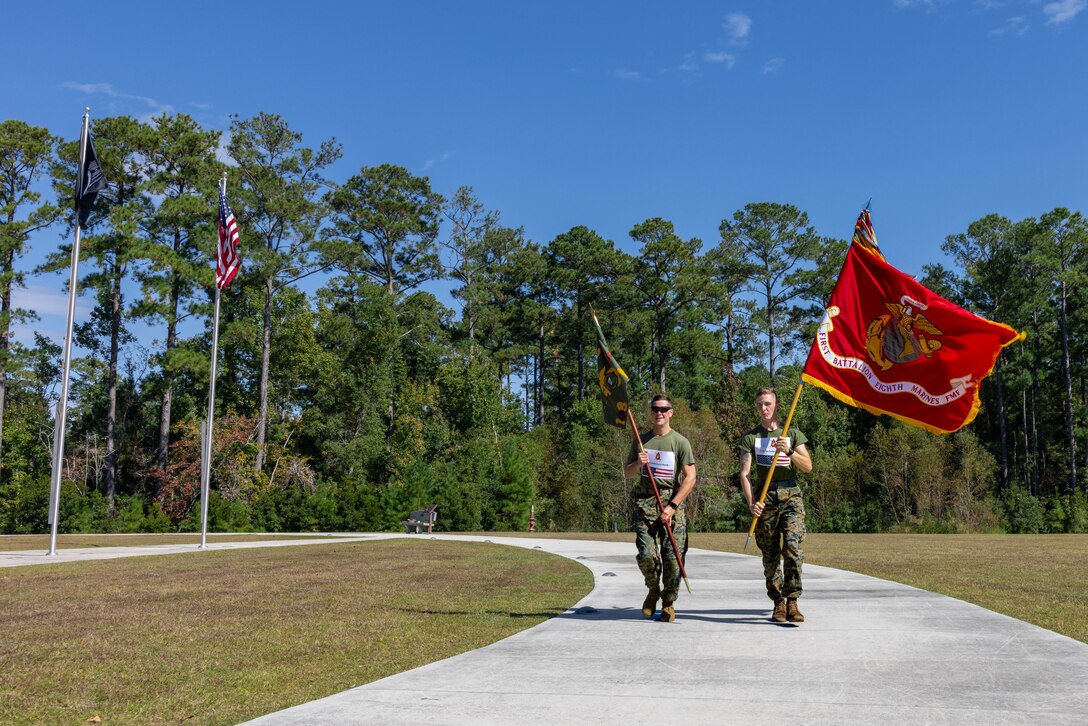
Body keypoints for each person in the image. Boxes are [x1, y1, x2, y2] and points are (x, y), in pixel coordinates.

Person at [738, 387, 813, 623]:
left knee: (792, 546)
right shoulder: (751, 438)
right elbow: (744, 474)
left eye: (768, 404)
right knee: (770, 553)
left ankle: (792, 600)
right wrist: (752, 503)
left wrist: (788, 451)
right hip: (765, 497)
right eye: (760, 404)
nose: (764, 408)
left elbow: (808, 466)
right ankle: (778, 602)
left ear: (776, 406)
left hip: (791, 495)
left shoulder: (792, 433)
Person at [624, 394, 697, 623]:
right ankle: (653, 589)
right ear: (650, 412)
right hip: (645, 501)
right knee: (646, 554)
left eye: (664, 409)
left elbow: (691, 477)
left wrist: (672, 506)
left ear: (671, 412)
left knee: (673, 558)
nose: (659, 413)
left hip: (671, 501)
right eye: (655, 409)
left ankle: (668, 603)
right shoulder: (641, 440)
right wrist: (639, 463)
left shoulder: (680, 442)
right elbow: (627, 472)